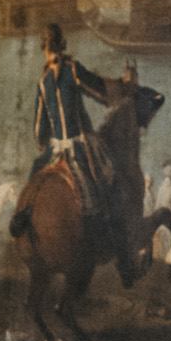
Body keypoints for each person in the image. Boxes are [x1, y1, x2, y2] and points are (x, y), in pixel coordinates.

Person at [33, 22, 120, 231]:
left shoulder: (43, 83)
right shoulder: (72, 70)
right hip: (81, 147)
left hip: (55, 149)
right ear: (62, 45)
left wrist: (43, 144)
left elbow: (39, 131)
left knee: (34, 176)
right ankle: (109, 231)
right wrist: (122, 85)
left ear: (44, 48)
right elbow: (100, 91)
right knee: (109, 175)